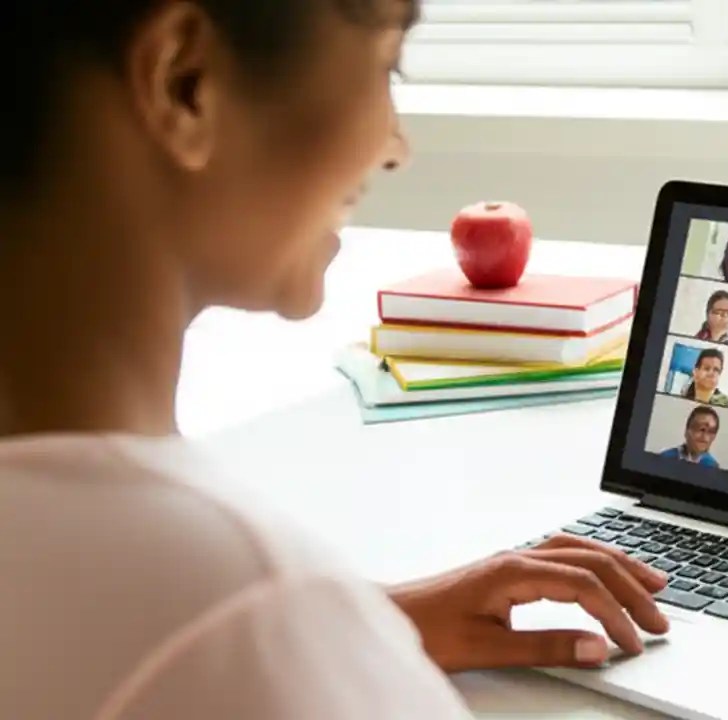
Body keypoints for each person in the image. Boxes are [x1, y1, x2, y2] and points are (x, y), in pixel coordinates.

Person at [0, 3, 670, 718]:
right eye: (387, 62)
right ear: (184, 82)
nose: (395, 146)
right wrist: (300, 635)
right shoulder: (241, 612)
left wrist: (356, 628)